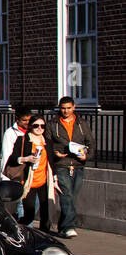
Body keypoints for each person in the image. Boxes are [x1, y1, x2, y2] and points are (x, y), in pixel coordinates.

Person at [47, 96, 94, 238]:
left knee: (72, 197)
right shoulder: (52, 124)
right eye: (63, 108)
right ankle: (69, 226)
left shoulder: (81, 123)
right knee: (66, 194)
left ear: (74, 107)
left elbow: (90, 142)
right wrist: (55, 153)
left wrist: (87, 156)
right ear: (59, 108)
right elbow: (48, 143)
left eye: (68, 108)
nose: (66, 111)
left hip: (78, 164)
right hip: (61, 164)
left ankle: (62, 227)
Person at [9, 116, 57, 232]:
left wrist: (54, 178)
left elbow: (51, 161)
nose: (39, 128)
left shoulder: (47, 142)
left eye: (42, 126)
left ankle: (44, 236)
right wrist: (26, 159)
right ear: (30, 126)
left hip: (44, 181)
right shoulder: (23, 140)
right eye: (36, 126)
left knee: (46, 212)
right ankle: (19, 228)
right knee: (29, 213)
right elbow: (13, 159)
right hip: (28, 182)